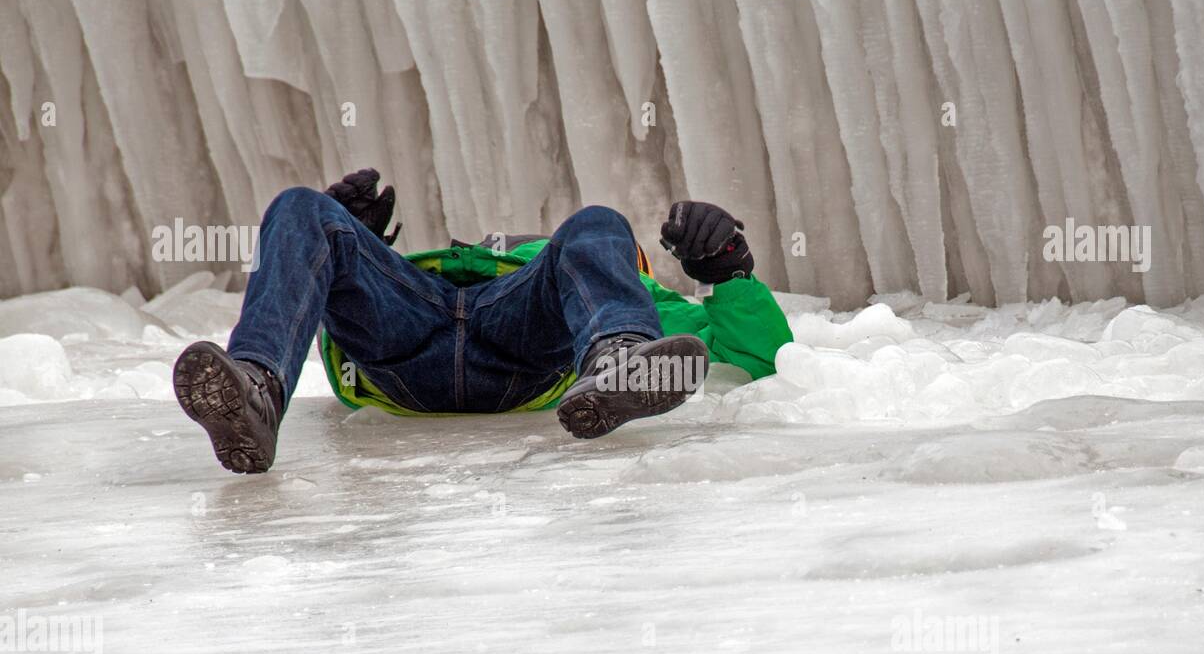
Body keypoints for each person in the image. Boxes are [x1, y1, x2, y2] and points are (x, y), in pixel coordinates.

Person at [172, 169, 793, 473]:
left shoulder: (624, 292)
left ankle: (618, 364)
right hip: (412, 323)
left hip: (526, 351)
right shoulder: (432, 265)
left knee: (599, 219)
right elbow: (343, 294)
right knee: (301, 209)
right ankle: (255, 388)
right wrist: (352, 243)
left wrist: (729, 273)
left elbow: (762, 361)